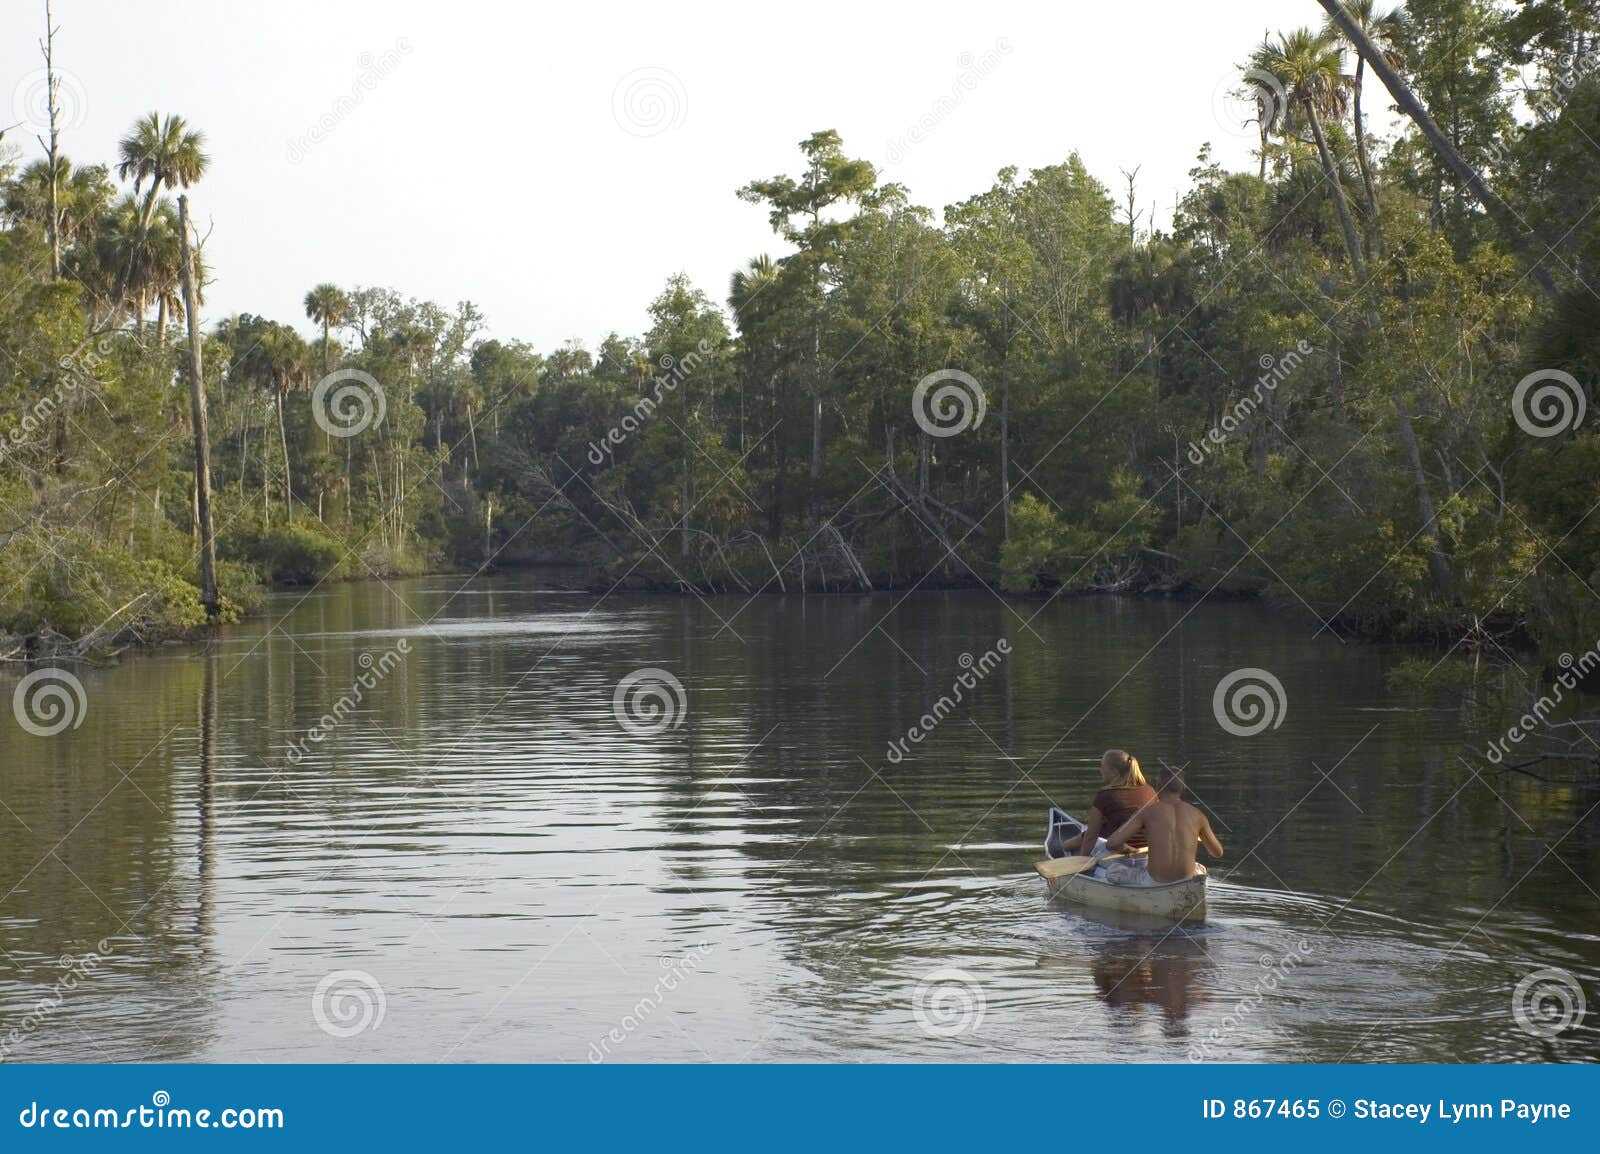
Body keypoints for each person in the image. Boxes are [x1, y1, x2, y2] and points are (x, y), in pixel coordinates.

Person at [1104, 767, 1223, 884]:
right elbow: (1217, 853)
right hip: (1186, 880)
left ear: (1157, 787)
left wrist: (1129, 850)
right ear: (1183, 788)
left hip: (1154, 882)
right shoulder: (1198, 815)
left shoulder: (1146, 813)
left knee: (1112, 871)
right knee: (1199, 868)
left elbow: (1112, 843)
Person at [1055, 750, 1156, 858]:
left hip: (1120, 855)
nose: (1100, 770)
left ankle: (1063, 847)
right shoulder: (1150, 790)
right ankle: (1065, 846)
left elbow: (1090, 837)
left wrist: (1082, 862)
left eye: (1102, 766)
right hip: (1149, 852)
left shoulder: (1105, 795)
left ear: (1114, 772)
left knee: (1086, 839)